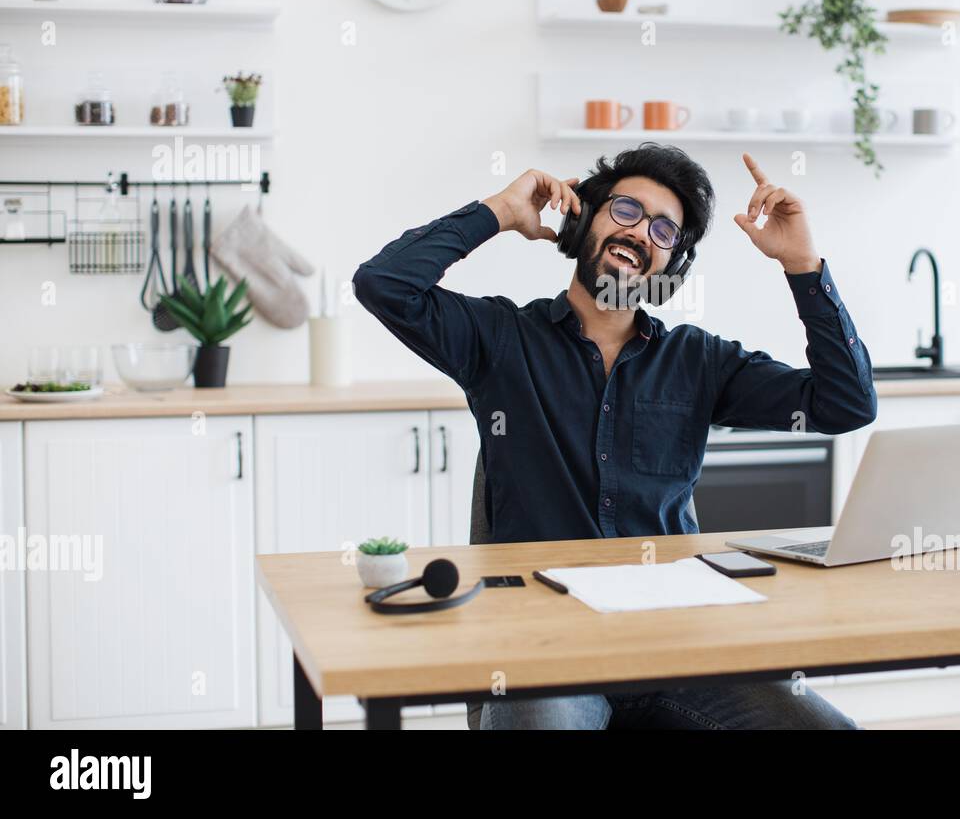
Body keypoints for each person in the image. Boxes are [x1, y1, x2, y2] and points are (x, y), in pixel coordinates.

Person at [353, 142, 876, 729]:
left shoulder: (697, 360)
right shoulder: (500, 340)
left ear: (672, 265)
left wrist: (802, 267)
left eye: (663, 230)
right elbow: (383, 283)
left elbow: (846, 403)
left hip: (679, 638)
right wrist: (499, 209)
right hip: (547, 648)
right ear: (582, 219)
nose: (640, 233)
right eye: (625, 210)